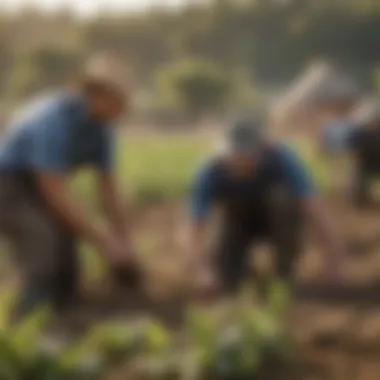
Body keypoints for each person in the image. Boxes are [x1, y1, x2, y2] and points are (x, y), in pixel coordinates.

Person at [0, 53, 140, 320]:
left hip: (40, 187)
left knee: (67, 265)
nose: (125, 108)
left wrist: (124, 241)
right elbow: (52, 190)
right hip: (8, 187)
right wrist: (103, 241)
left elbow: (108, 191)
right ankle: (24, 322)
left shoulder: (103, 129)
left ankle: (66, 319)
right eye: (121, 100)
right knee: (42, 244)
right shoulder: (50, 120)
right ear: (98, 95)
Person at [185, 117, 346, 295]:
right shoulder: (210, 170)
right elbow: (194, 226)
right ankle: (241, 266)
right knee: (229, 279)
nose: (240, 163)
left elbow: (315, 211)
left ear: (262, 150)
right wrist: (203, 270)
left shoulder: (282, 159)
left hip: (277, 221)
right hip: (236, 224)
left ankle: (284, 268)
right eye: (234, 157)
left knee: (281, 198)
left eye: (246, 157)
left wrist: (334, 265)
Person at [322, 98, 380, 207]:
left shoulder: (361, 132)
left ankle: (360, 200)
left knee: (357, 169)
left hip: (367, 167)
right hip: (371, 165)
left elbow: (352, 148)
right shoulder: (362, 132)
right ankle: (361, 197)